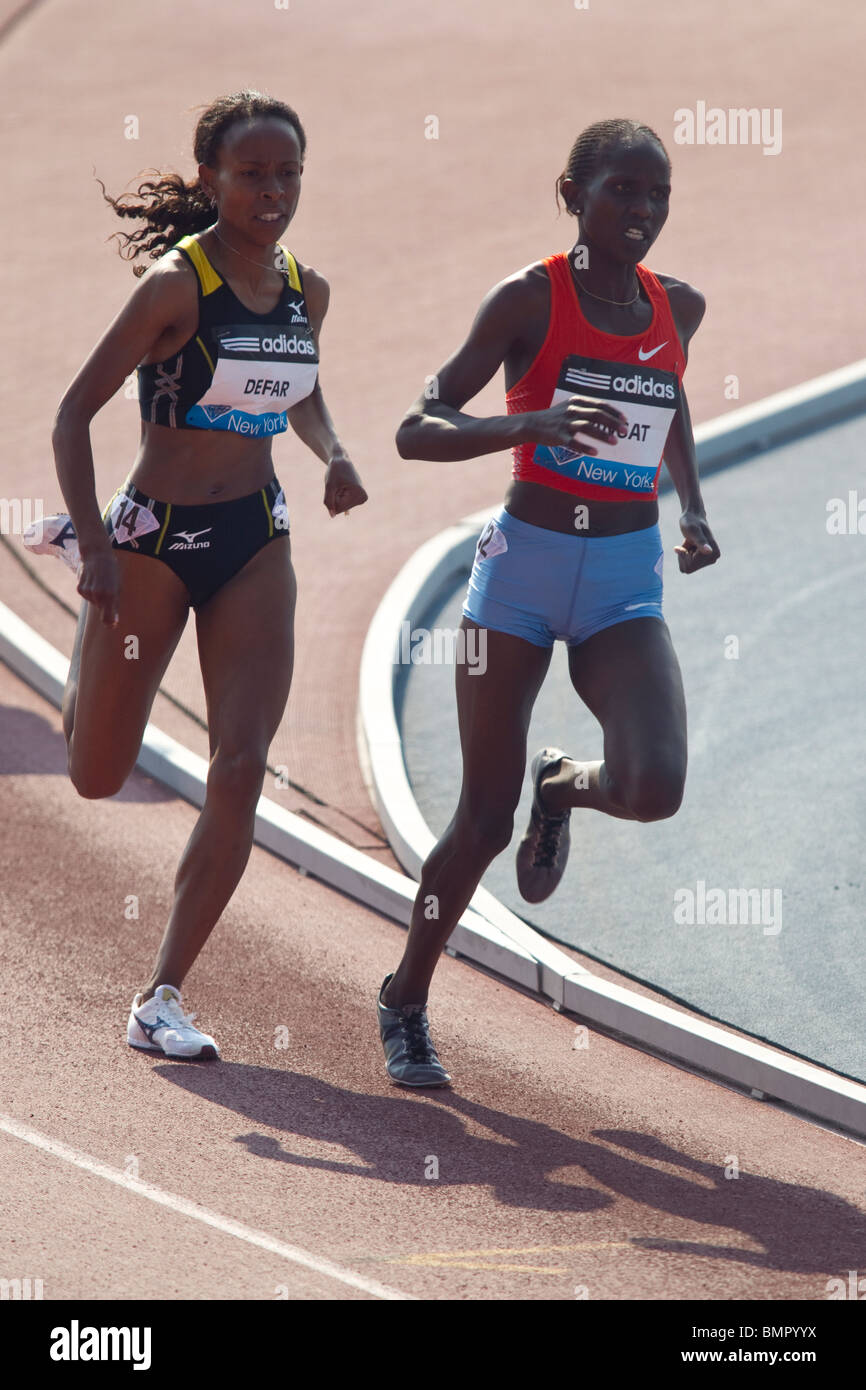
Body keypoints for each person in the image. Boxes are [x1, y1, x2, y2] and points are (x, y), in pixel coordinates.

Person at [377, 118, 720, 1086]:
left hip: (621, 582)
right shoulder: (528, 299)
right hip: (518, 578)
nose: (640, 213)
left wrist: (689, 505)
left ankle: (563, 782)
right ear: (569, 193)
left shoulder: (675, 306)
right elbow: (415, 425)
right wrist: (531, 420)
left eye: (656, 196)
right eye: (620, 192)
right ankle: (403, 997)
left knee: (652, 785)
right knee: (480, 822)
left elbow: (667, 396)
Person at [27, 90, 367, 1059]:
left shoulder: (308, 291)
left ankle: (160, 993)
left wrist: (332, 449)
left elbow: (295, 386)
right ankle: (85, 631)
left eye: (287, 173)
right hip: (150, 541)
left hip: (253, 538)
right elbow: (69, 414)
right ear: (211, 176)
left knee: (241, 764)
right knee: (95, 775)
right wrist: (94, 544)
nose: (273, 192)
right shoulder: (177, 288)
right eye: (252, 173)